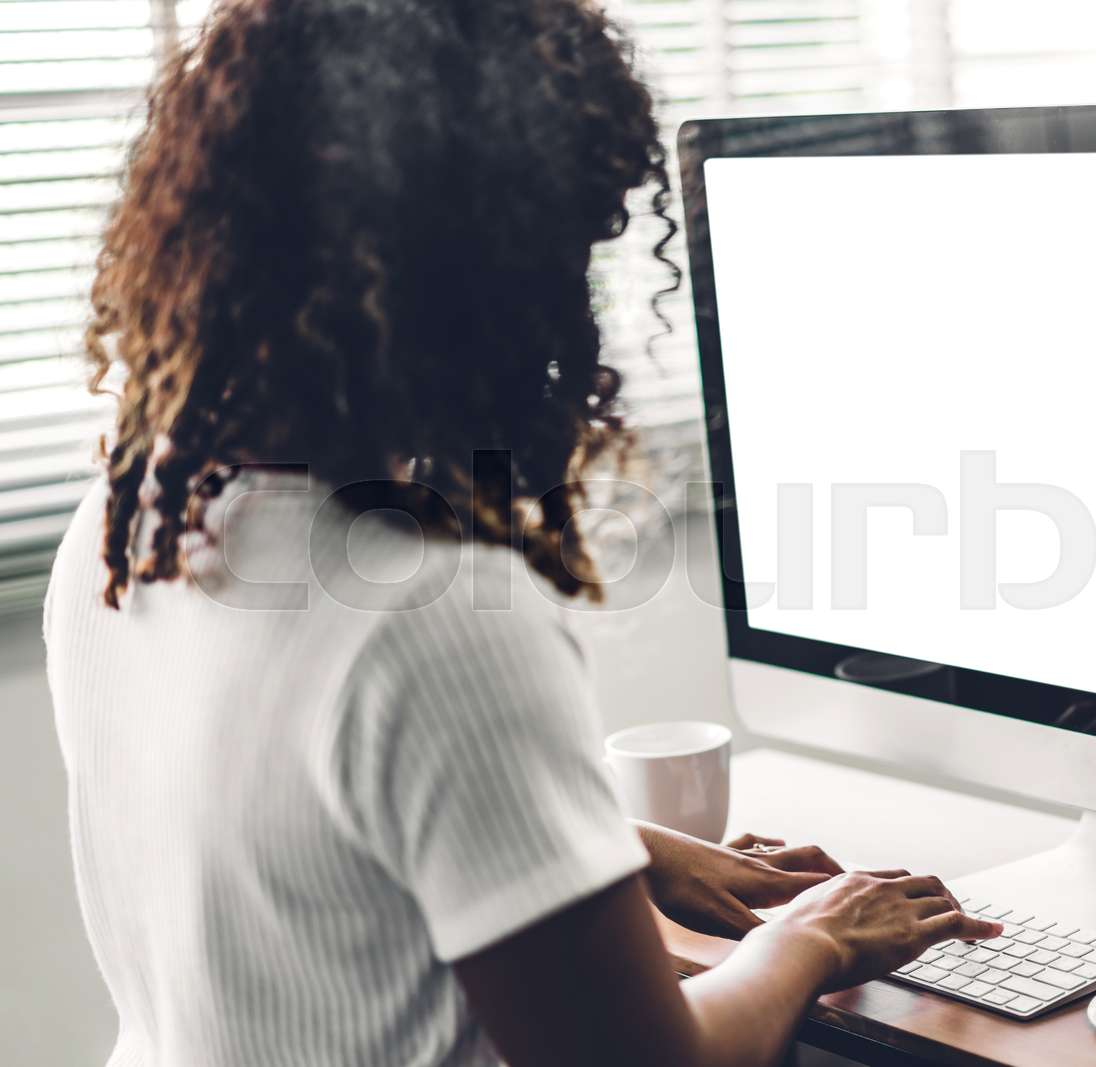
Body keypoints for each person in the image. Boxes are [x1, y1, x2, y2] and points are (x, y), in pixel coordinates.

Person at [42, 2, 999, 1065]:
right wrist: (806, 939)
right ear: (484, 273)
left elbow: (298, 844)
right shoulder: (426, 619)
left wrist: (617, 853)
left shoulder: (133, 524)